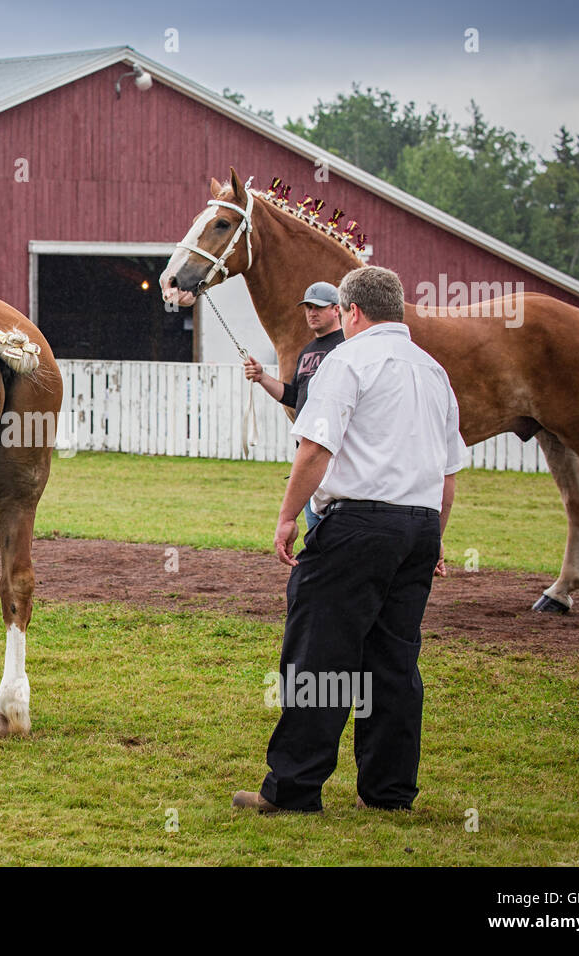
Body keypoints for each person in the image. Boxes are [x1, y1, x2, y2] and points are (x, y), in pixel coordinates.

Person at [232, 265, 464, 814]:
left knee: (321, 658)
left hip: (358, 525)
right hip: (419, 525)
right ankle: (389, 792)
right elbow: (448, 474)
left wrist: (287, 517)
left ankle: (293, 788)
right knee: (395, 661)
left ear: (352, 312)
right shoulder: (434, 371)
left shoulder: (347, 360)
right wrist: (433, 539)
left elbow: (314, 449)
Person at [243, 281, 345, 533]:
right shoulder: (307, 351)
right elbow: (294, 397)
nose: (312, 312)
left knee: (337, 535)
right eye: (308, 307)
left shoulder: (346, 346)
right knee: (314, 536)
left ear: (336, 309)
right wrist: (262, 377)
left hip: (335, 455)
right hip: (306, 451)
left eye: (319, 307)